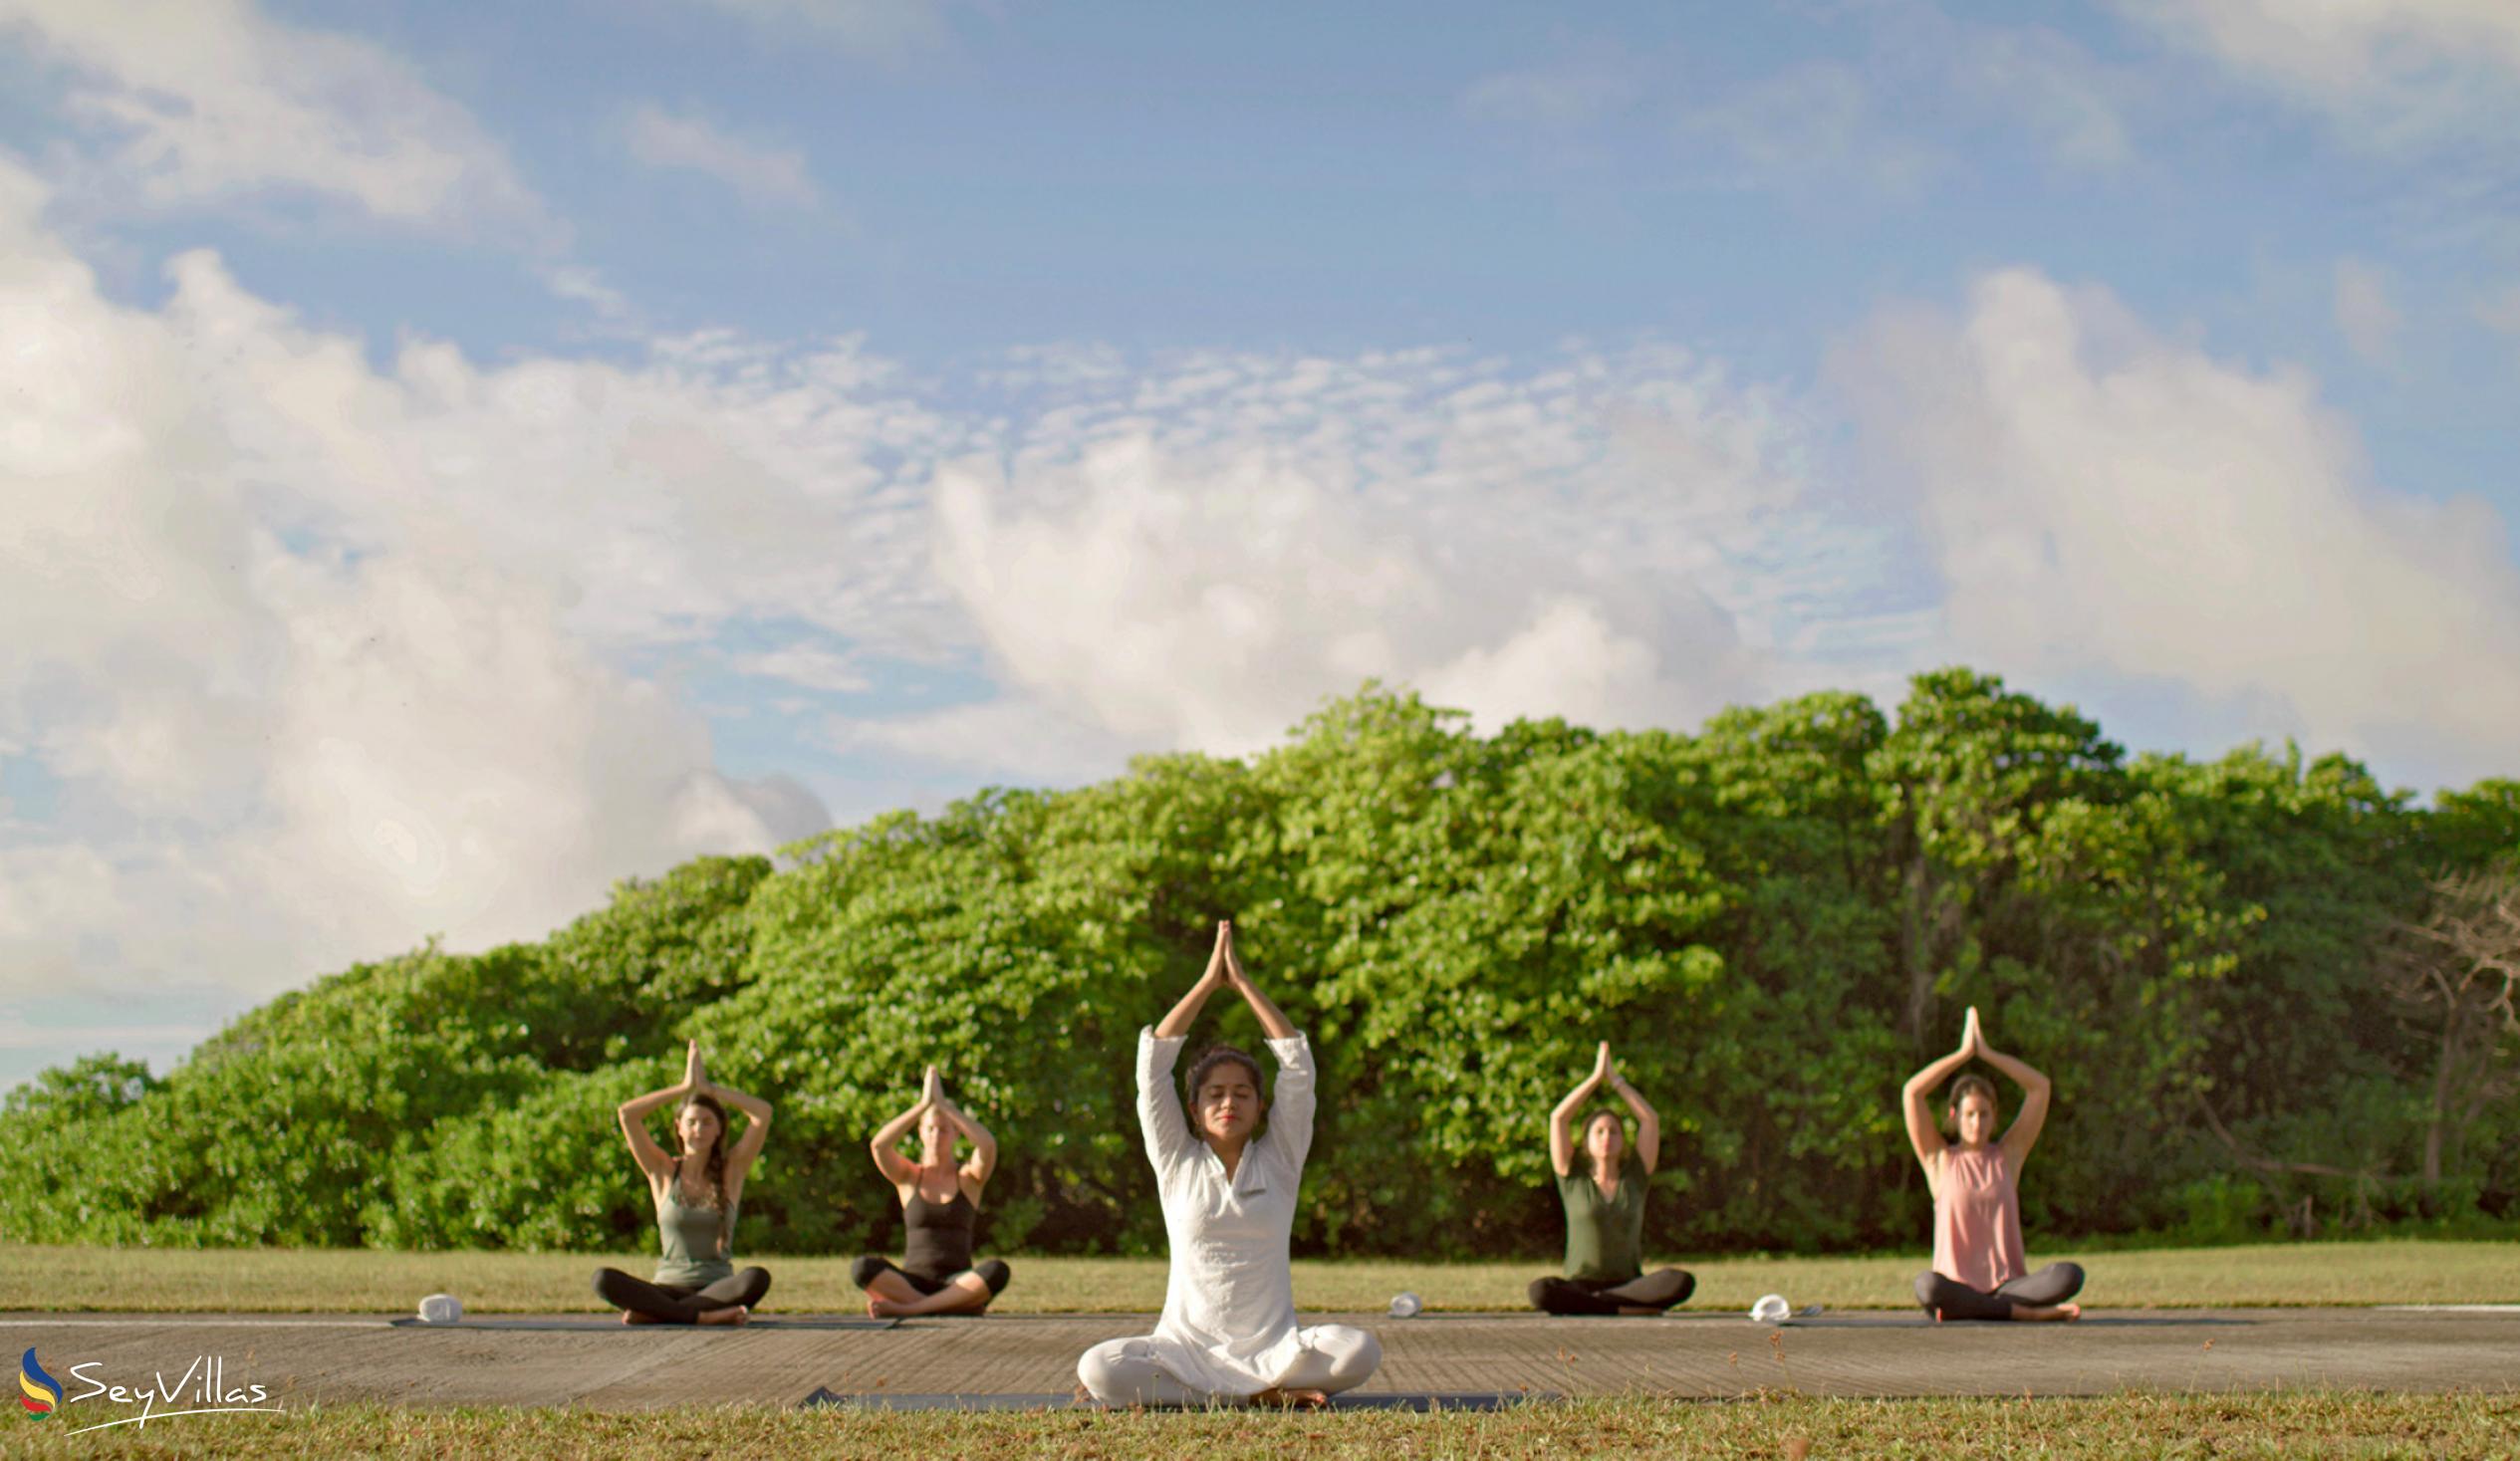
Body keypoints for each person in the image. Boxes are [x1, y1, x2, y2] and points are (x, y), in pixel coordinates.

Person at [1077, 920, 1382, 1407]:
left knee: (1361, 1351)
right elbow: (1153, 1071)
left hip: (1275, 1349)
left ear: (1261, 1107)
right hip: (1186, 1350)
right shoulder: (1177, 1164)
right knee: (1098, 1368)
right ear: (1194, 1110)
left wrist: (1242, 984)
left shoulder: (1280, 1161)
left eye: (1242, 1094)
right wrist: (1206, 984)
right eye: (1215, 1095)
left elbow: (1298, 1070)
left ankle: (1238, 1392)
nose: (1228, 1103)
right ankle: (1262, 1397)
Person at [1902, 1006, 2084, 1322]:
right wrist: (1963, 1053)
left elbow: (2039, 1088)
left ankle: (1993, 1309)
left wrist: (1986, 1053)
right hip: (1954, 1287)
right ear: (1954, 1117)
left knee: (2069, 1275)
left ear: (1995, 1117)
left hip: (2008, 1287)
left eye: (1984, 1114)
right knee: (1927, 1285)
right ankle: (2027, 1315)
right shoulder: (1939, 1160)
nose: (1977, 1122)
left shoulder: (2007, 1157)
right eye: (1970, 1114)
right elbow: (1912, 1092)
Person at [595, 1040, 774, 1325]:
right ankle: (700, 1317)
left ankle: (660, 1314)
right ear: (679, 1127)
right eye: (691, 1121)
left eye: (707, 1122)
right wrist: (684, 1087)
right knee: (602, 1279)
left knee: (756, 1277)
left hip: (717, 1289)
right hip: (666, 1288)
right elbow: (628, 1114)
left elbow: (762, 1113)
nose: (698, 1129)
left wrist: (709, 1090)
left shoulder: (732, 1170)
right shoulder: (663, 1171)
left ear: (719, 1130)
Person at [1527, 1041, 1696, 1316]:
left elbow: (1650, 1120)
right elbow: (1558, 1118)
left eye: (1614, 1131)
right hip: (1579, 1286)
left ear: (1623, 1140)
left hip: (1630, 1285)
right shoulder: (1573, 1179)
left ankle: (1605, 1303)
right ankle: (1621, 1308)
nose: (1607, 1138)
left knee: (1680, 1281)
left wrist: (1616, 1080)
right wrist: (1595, 1079)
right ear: (1587, 1142)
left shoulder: (1635, 1178)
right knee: (1541, 1290)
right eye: (1600, 1132)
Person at [850, 1065, 1012, 1317]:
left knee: (997, 1270)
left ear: (956, 1133)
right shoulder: (909, 1176)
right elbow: (879, 1145)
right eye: (931, 1129)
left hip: (958, 1283)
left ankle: (914, 1309)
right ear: (921, 1133)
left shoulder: (968, 1179)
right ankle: (950, 1307)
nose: (937, 1135)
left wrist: (945, 1106)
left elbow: (987, 1145)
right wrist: (923, 1105)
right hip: (911, 1282)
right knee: (861, 1267)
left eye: (944, 1129)